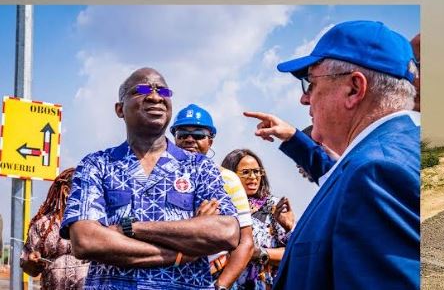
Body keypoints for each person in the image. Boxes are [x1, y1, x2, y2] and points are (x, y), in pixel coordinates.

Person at [244, 20, 420, 289]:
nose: (304, 99)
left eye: (310, 84)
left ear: (353, 89)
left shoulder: (376, 173)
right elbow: (337, 178)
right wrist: (294, 138)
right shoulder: (394, 150)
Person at [61, 67, 240, 290]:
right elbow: (86, 241)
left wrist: (129, 228)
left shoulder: (199, 167)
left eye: (163, 92)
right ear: (119, 109)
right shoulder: (97, 164)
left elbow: (227, 233)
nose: (155, 96)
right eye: (142, 89)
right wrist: (180, 252)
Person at [171, 103, 255, 290]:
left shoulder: (229, 179)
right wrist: (196, 226)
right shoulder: (160, 177)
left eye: (199, 135)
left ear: (210, 141)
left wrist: (222, 285)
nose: (190, 140)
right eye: (182, 134)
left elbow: (246, 242)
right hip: (166, 275)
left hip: (212, 277)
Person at [220, 149, 294, 290]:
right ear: (230, 176)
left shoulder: (274, 207)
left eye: (257, 171)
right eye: (246, 172)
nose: (253, 177)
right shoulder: (220, 205)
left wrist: (259, 253)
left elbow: (293, 252)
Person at [20, 168, 89, 290]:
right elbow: (29, 269)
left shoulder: (96, 223)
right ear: (66, 191)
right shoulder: (44, 225)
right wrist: (31, 261)